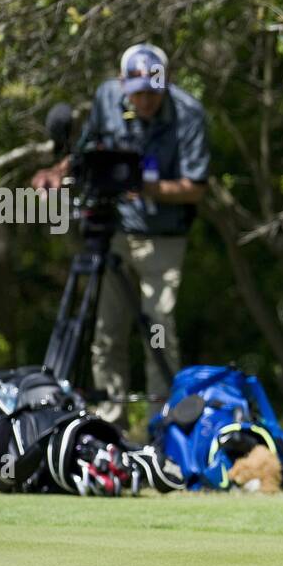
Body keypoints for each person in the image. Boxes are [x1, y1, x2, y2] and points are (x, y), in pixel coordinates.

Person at [32, 43, 209, 430]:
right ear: (122, 84)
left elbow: (195, 188)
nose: (145, 101)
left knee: (158, 329)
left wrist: (147, 189)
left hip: (163, 236)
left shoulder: (189, 114)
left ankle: (162, 427)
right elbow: (86, 153)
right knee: (107, 331)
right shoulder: (107, 98)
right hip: (113, 232)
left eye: (152, 92)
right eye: (138, 92)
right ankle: (108, 425)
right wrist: (58, 173)